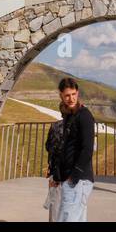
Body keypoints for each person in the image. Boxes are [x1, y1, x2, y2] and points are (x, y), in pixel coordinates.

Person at [51, 77, 96, 222]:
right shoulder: (70, 116)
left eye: (73, 94)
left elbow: (88, 149)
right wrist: (57, 176)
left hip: (78, 181)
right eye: (67, 95)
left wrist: (74, 176)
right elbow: (65, 148)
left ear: (77, 93)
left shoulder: (85, 116)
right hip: (70, 179)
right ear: (61, 96)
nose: (71, 98)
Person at [43, 103, 67, 222]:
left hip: (54, 169)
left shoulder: (54, 126)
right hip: (69, 172)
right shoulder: (75, 128)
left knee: (55, 205)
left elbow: (48, 146)